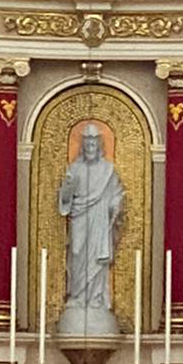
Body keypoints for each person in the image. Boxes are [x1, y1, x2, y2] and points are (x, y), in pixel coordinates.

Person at [57, 123, 125, 336]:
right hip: (79, 219)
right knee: (77, 254)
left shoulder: (108, 170)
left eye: (94, 143)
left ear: (99, 145)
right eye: (87, 143)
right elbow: (65, 201)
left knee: (97, 261)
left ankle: (96, 299)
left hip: (99, 220)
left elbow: (116, 194)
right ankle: (78, 297)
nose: (90, 146)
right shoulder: (75, 169)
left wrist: (115, 204)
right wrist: (67, 191)